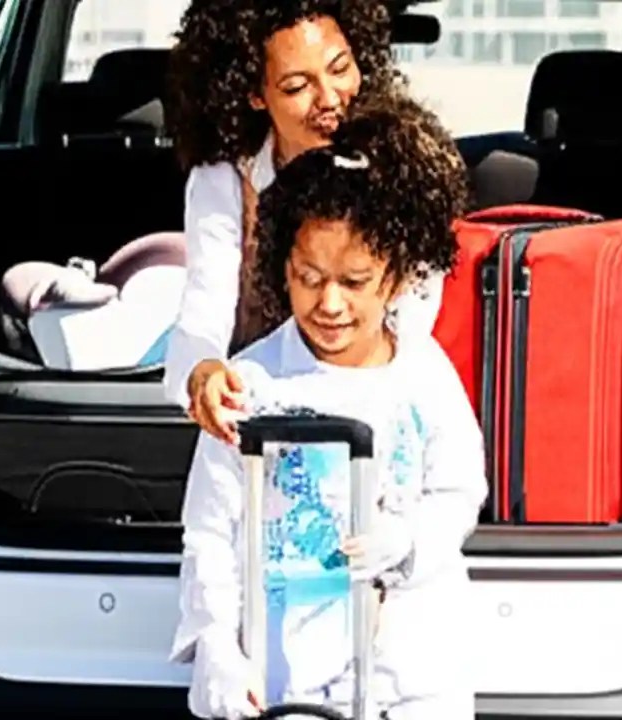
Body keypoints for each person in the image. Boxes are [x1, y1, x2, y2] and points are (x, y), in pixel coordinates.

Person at [170, 100, 483, 720]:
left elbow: (459, 488)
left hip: (411, 678)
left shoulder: (423, 375)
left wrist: (407, 541)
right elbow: (209, 533)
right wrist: (217, 648)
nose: (330, 304)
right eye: (308, 278)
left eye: (355, 281)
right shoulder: (253, 382)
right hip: (287, 681)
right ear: (282, 269)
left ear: (395, 278)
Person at [160, 0, 459, 440]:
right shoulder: (224, 181)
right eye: (297, 86)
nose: (330, 99)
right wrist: (203, 372)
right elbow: (204, 310)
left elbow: (409, 330)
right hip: (259, 419)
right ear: (254, 94)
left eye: (340, 68)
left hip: (381, 419)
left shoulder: (404, 172)